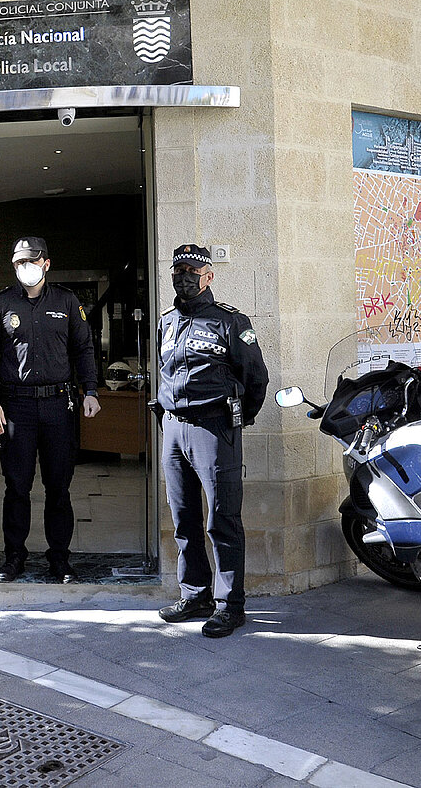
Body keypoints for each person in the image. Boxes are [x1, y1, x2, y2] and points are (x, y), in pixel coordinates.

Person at [155, 244, 268, 638]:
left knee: (221, 519)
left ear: (209, 276)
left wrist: (235, 421)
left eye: (191, 270)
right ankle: (195, 594)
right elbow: (164, 375)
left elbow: (256, 380)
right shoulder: (166, 322)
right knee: (183, 519)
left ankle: (228, 605)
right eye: (177, 270)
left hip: (214, 429)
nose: (183, 276)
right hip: (174, 429)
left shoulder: (231, 323)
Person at [0, 236, 100, 584]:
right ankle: (14, 557)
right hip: (16, 407)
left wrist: (90, 390)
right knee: (17, 487)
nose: (24, 268)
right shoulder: (1, 303)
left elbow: (84, 348)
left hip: (60, 406)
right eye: (18, 263)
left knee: (59, 487)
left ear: (46, 263)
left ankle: (59, 560)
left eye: (30, 261)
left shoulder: (66, 300)